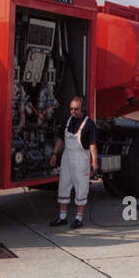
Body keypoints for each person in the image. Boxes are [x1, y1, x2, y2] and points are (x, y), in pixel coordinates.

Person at [49, 96, 98, 229]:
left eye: (76, 109)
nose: (73, 111)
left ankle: (79, 218)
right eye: (71, 109)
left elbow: (93, 144)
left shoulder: (89, 124)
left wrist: (95, 162)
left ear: (82, 109)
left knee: (81, 187)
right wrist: (54, 153)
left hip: (81, 157)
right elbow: (60, 138)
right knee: (63, 184)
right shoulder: (67, 120)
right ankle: (62, 216)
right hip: (67, 156)